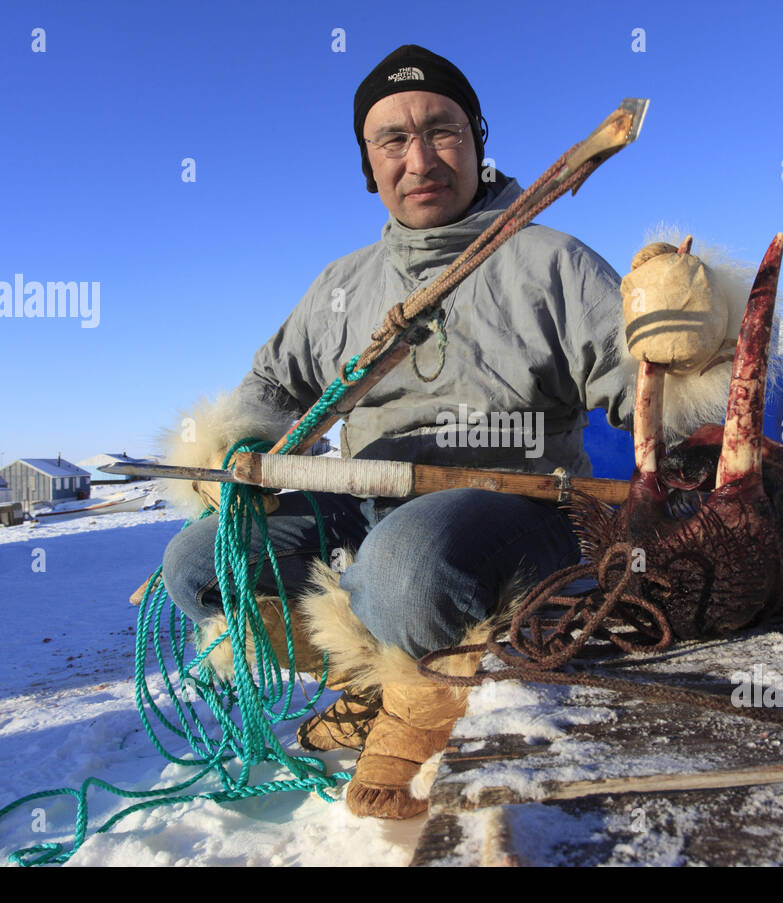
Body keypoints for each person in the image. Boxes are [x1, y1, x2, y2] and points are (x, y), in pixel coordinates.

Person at [158, 44, 642, 820]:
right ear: (368, 165)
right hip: (368, 501)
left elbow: (643, 386)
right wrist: (235, 443)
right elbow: (274, 386)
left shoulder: (553, 263)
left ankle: (421, 704)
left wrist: (681, 362)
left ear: (478, 141)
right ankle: (374, 677)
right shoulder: (342, 287)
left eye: (442, 130)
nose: (420, 158)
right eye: (392, 139)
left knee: (408, 565)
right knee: (202, 562)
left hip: (518, 512)